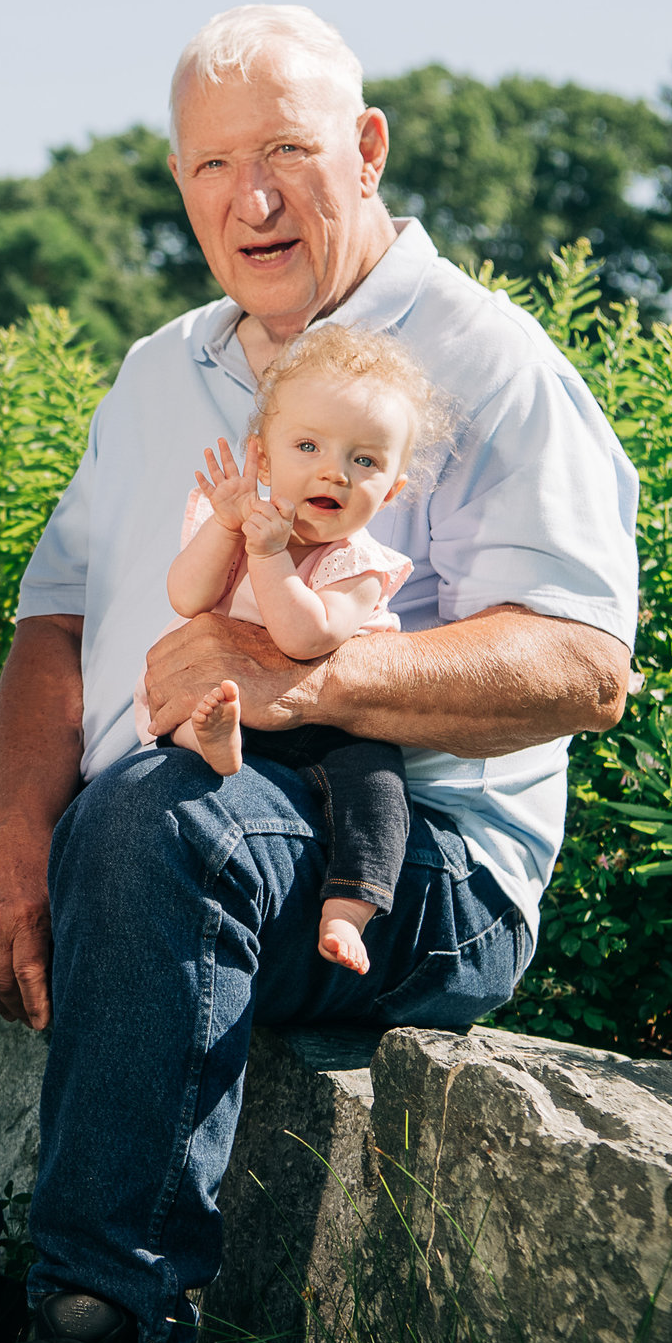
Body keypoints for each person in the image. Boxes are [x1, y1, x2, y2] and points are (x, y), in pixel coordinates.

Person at [0, 6, 641, 1343]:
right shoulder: (163, 371)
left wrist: (315, 678)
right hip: (131, 800)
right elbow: (54, 624)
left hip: (411, 864)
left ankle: (101, 1340)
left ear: (365, 148)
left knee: (156, 818)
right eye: (215, 165)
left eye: (286, 151)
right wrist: (11, 830)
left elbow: (581, 665)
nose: (252, 197)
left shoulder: (485, 359)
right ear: (178, 184)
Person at [148, 325, 450, 977]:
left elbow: (305, 637)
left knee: (376, 787)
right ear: (260, 459)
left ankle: (347, 909)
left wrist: (266, 554)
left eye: (363, 460)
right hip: (238, 707)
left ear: (391, 489)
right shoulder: (236, 521)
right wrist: (227, 529)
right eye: (307, 445)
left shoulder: (359, 562)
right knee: (181, 699)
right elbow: (185, 595)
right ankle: (214, 743)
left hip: (328, 728)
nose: (332, 470)